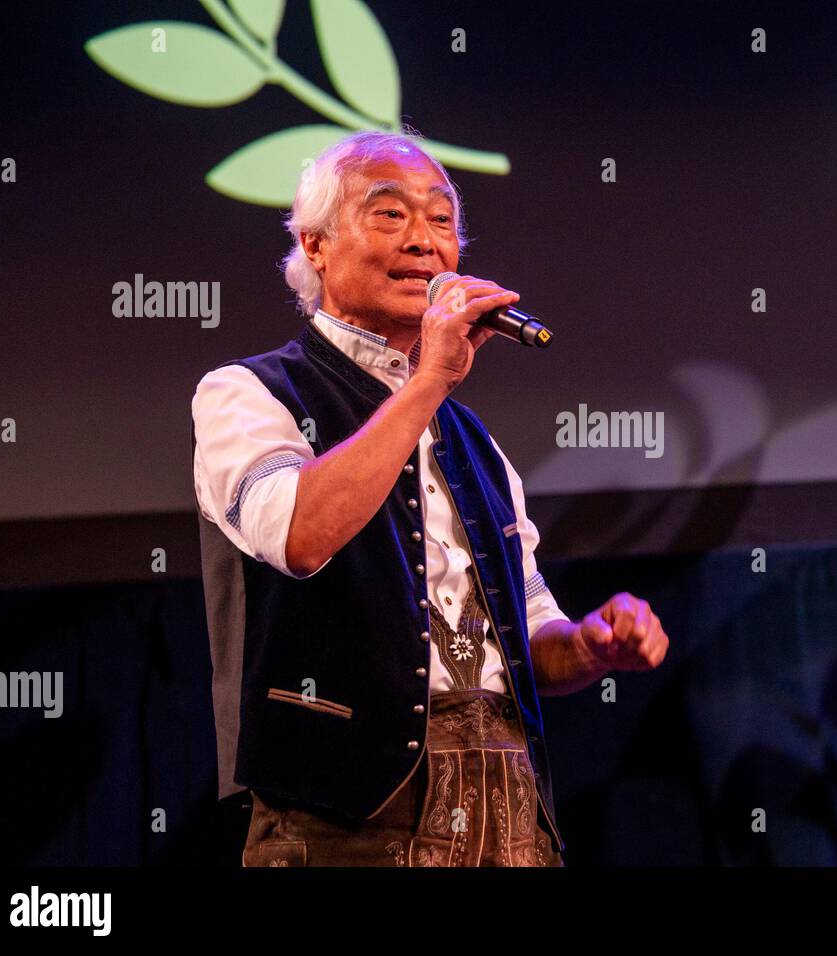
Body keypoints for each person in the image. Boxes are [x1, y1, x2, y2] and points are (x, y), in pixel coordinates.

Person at [191, 129, 669, 867]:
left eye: (441, 220)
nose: (424, 240)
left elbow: (527, 626)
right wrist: (427, 384)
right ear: (315, 246)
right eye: (390, 214)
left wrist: (585, 645)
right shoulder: (248, 392)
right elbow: (298, 534)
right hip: (344, 817)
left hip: (508, 805)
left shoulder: (475, 441)